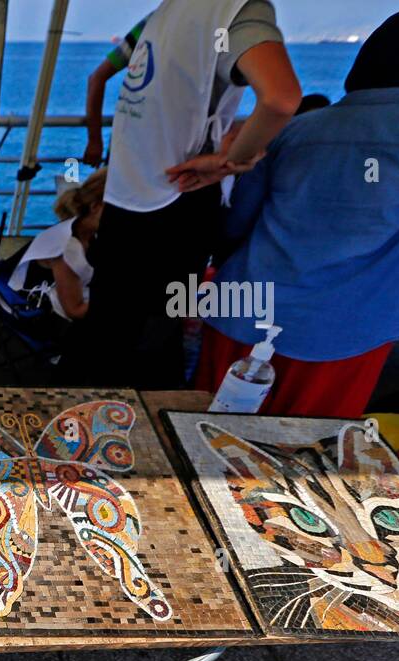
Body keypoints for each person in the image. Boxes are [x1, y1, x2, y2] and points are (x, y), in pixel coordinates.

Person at [57, 0, 302, 390]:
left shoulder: (162, 18)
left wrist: (93, 138)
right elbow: (281, 98)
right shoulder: (234, 10)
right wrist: (231, 162)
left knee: (110, 325)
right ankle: (144, 418)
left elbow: (98, 77)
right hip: (176, 201)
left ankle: (91, 415)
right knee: (156, 332)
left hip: (128, 192)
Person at [195, 3, 399, 417]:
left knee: (202, 434)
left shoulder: (297, 130)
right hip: (343, 332)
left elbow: (236, 223)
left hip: (242, 312)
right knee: (298, 460)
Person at [5, 167, 105, 341]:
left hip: (52, 299)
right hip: (32, 313)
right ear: (96, 207)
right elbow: (75, 310)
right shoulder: (65, 248)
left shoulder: (82, 230)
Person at [82, 13, 151, 166]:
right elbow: (96, 79)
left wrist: (95, 141)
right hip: (144, 151)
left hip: (128, 147)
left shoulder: (151, 23)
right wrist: (95, 140)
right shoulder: (151, 24)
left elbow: (96, 78)